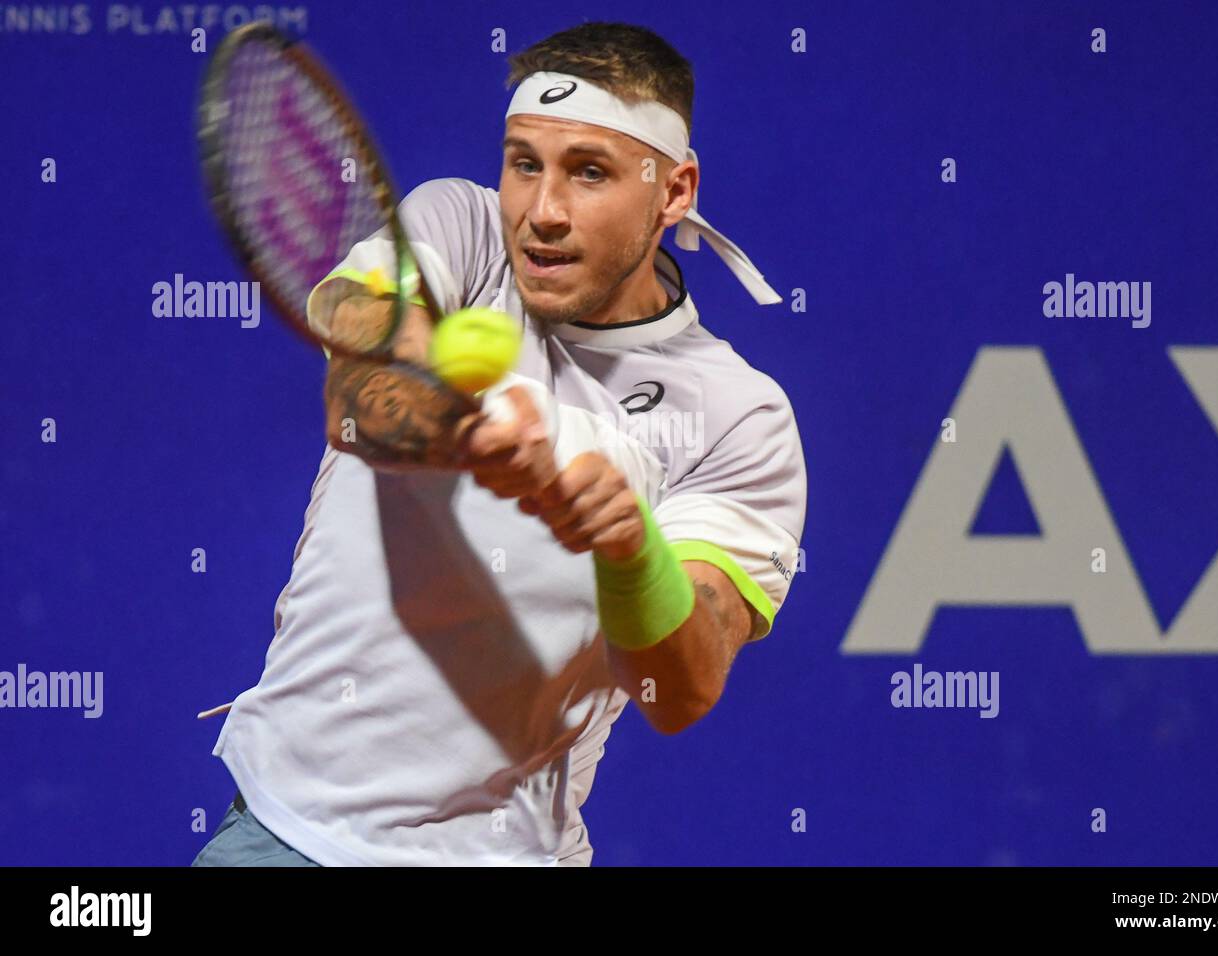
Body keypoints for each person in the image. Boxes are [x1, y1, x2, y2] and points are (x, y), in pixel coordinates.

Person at [192, 20, 806, 867]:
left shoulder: (741, 414)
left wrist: (629, 546)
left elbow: (683, 689)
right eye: (525, 163)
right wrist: (465, 428)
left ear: (674, 190)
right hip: (283, 832)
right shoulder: (459, 228)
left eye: (588, 172)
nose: (543, 213)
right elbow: (361, 388)